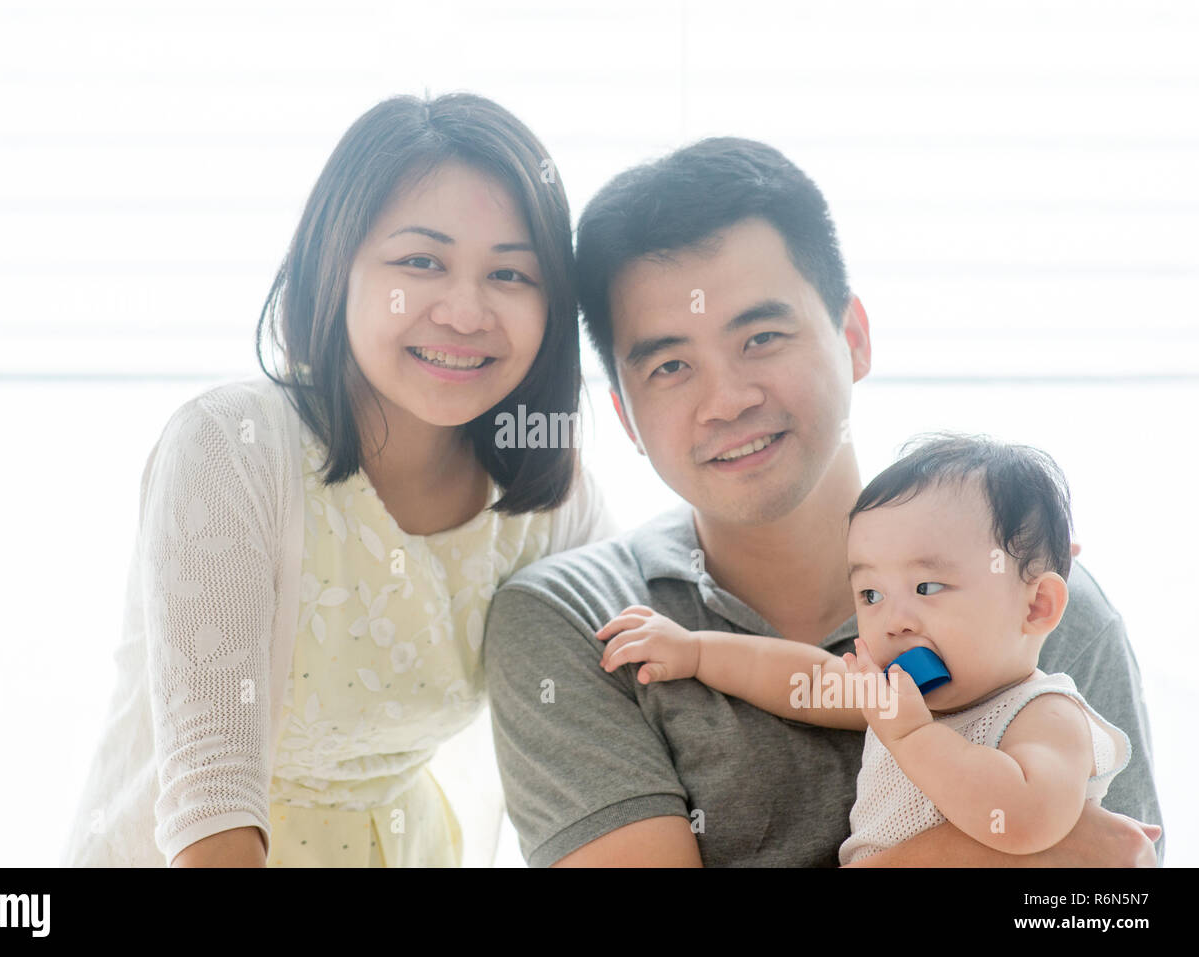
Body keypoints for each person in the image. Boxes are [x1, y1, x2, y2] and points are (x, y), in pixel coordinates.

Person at [482, 136, 1164, 866]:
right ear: (624, 419)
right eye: (672, 365)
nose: (728, 400)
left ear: (855, 338)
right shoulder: (583, 625)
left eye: (762, 336)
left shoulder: (1022, 590)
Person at [60, 92, 616, 868]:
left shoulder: (552, 501)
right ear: (337, 264)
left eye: (511, 273)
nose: (464, 310)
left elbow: (611, 738)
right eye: (421, 261)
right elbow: (210, 807)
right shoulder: (234, 446)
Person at [595, 433, 1134, 864]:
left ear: (1036, 606)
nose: (893, 622)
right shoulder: (898, 700)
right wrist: (696, 652)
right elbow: (801, 680)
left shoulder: (1044, 715)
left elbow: (1024, 820)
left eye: (927, 588)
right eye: (871, 594)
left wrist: (912, 734)